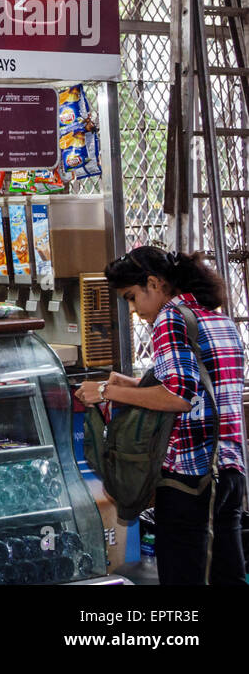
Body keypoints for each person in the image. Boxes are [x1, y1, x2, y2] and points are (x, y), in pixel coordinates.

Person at [76, 246, 246, 585]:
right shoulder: (217, 318)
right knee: (229, 576)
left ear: (154, 283)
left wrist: (106, 392)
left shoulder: (171, 318)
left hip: (188, 479)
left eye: (132, 297)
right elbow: (198, 388)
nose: (135, 310)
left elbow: (180, 397)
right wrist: (134, 385)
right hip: (229, 473)